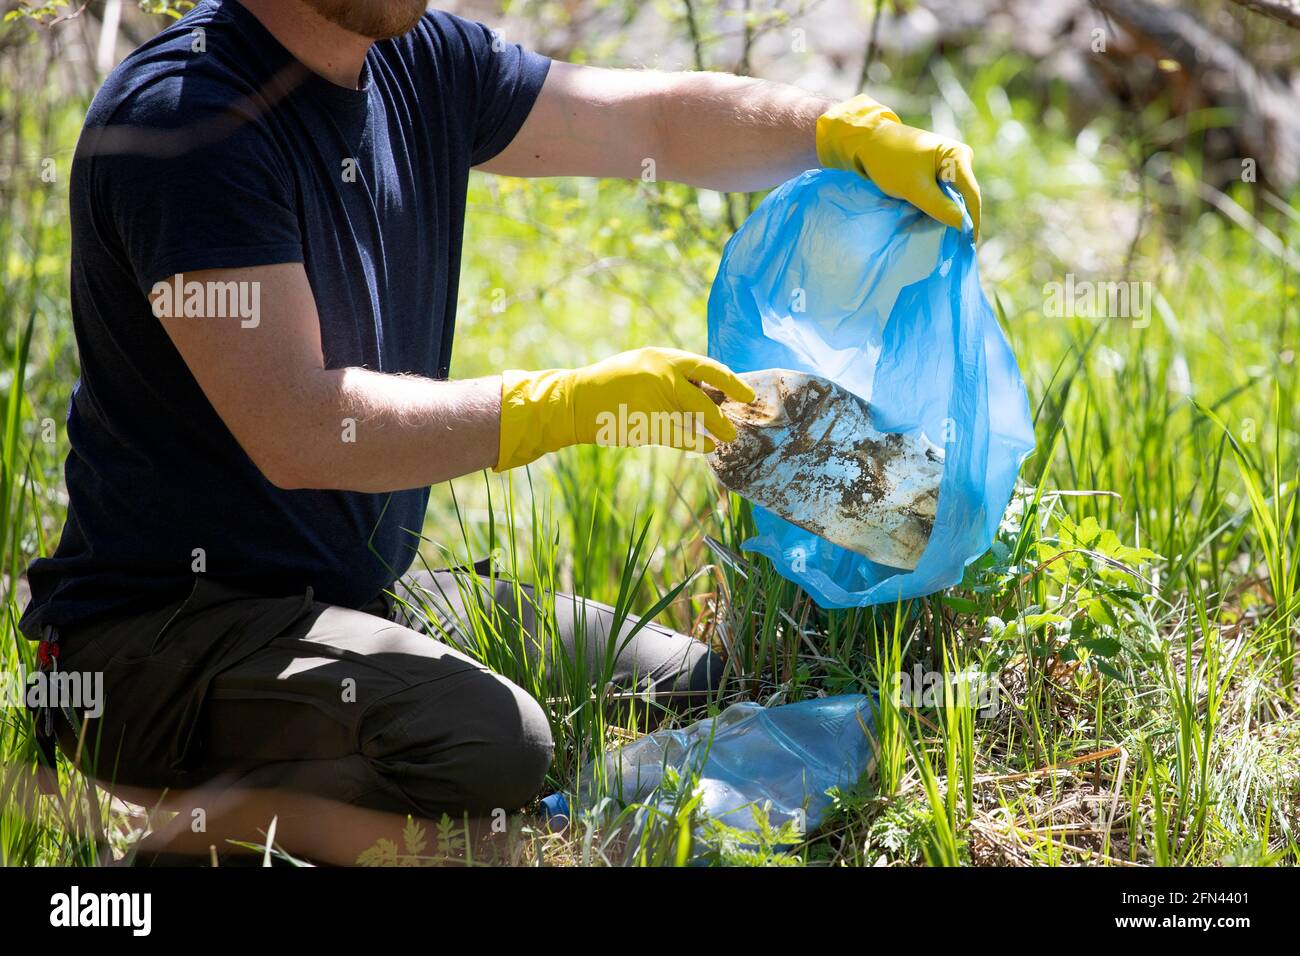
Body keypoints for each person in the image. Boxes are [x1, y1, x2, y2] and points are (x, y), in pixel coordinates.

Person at [21, 0, 980, 864]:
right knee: (494, 743)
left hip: (352, 592)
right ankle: (188, 853)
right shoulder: (185, 121)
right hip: (156, 642)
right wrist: (572, 404)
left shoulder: (417, 59)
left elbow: (649, 121)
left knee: (694, 684)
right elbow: (304, 428)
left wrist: (837, 132)